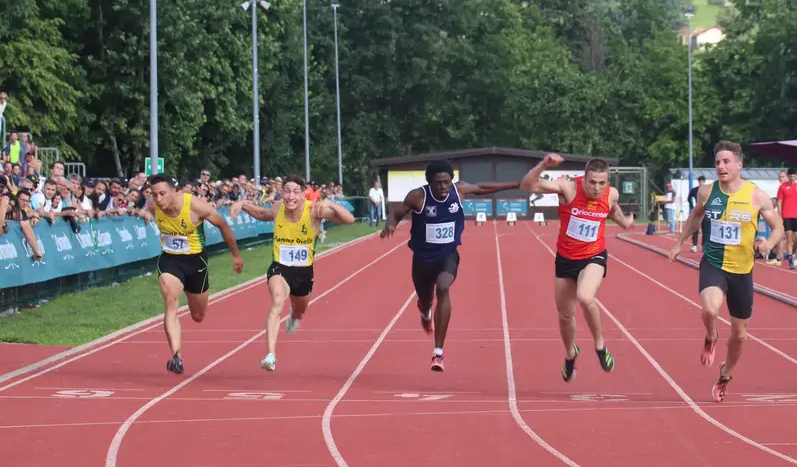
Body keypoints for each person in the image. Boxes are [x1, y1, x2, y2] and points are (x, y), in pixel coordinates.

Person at [667, 141, 783, 402]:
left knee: (740, 335)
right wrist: (678, 244)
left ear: (739, 165)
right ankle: (711, 335)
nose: (720, 166)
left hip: (742, 271)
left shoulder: (757, 196)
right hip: (714, 263)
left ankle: (725, 375)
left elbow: (778, 227)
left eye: (726, 161)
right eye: (717, 162)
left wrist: (769, 243)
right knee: (710, 309)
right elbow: (696, 217)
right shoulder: (708, 192)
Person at [381, 159, 520, 371]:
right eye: (439, 183)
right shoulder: (418, 196)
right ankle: (426, 313)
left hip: (448, 255)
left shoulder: (459, 191)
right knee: (425, 300)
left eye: (447, 182)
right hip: (422, 260)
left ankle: (438, 353)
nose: (443, 187)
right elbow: (396, 213)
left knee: (444, 287)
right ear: (429, 182)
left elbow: (482, 187)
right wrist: (390, 225)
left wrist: (517, 184)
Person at [519, 154, 635, 382]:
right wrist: (543, 164)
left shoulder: (611, 194)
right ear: (584, 178)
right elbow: (526, 185)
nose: (597, 187)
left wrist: (625, 222)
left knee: (585, 296)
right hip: (565, 259)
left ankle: (600, 346)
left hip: (594, 256)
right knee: (565, 315)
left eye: (602, 182)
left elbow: (613, 209)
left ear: (608, 180)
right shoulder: (568, 188)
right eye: (592, 182)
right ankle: (571, 353)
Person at [230, 175, 355, 371]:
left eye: (295, 192)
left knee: (299, 310)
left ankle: (295, 317)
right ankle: (270, 355)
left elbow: (349, 219)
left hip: (304, 273)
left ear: (303, 194)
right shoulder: (278, 207)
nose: (290, 196)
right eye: (286, 191)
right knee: (277, 301)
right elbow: (263, 214)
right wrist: (242, 204)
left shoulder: (314, 210)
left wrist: (330, 202)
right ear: (281, 193)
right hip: (280, 267)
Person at [140, 174, 244, 374]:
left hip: (196, 261)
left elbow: (223, 225)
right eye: (154, 195)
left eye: (162, 194)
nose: (158, 199)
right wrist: (144, 212)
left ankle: (193, 298)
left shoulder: (196, 206)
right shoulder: (153, 205)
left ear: (175, 191)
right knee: (171, 303)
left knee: (198, 315)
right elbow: (145, 206)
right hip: (170, 260)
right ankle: (176, 356)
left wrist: (236, 255)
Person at [776, 168, 797, 269]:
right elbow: (779, 202)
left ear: (796, 176)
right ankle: (791, 260)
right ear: (788, 176)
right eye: (790, 176)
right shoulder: (782, 187)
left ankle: (791, 254)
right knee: (789, 239)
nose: (792, 177)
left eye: (794, 176)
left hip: (796, 216)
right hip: (786, 216)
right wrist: (780, 215)